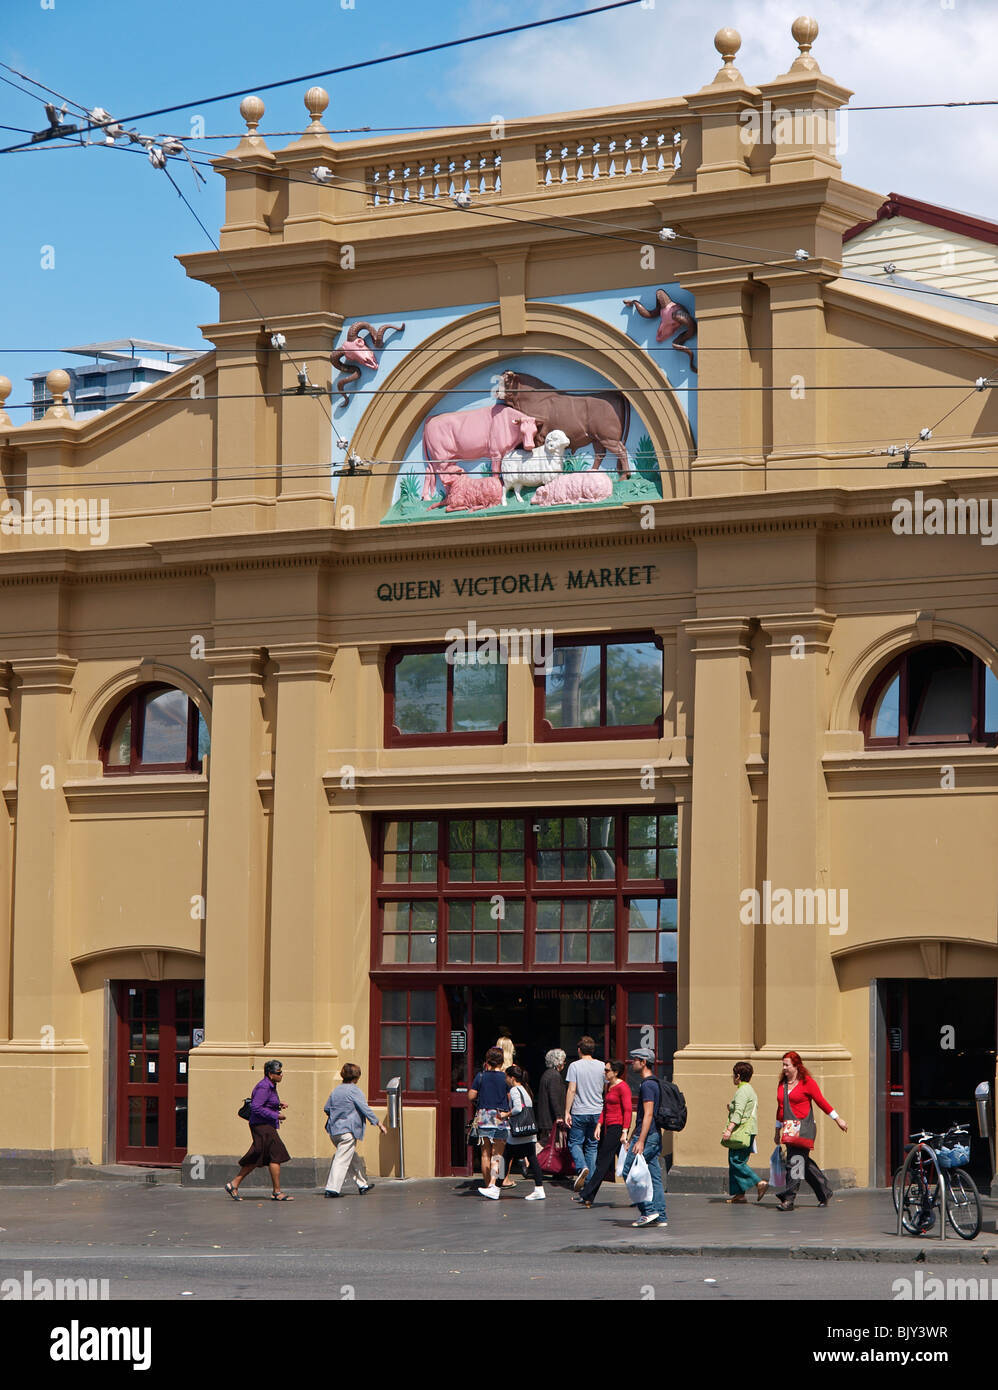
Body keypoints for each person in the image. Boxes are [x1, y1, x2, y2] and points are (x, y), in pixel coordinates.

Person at [773, 1050, 848, 1211]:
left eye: (787, 1065)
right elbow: (780, 1108)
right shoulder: (782, 1084)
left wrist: (837, 1119)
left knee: (795, 1161)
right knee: (802, 1162)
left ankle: (789, 1199)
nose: (784, 1068)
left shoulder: (807, 1083)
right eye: (783, 1065)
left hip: (804, 1128)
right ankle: (824, 1191)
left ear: (796, 1066)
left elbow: (821, 1102)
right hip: (789, 1128)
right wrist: (777, 1130)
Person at [226, 1059, 293, 1201]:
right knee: (276, 1155)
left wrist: (278, 1104)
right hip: (262, 1126)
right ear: (270, 1074)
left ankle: (234, 1184)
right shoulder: (264, 1087)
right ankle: (276, 1192)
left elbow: (265, 1103)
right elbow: (256, 1107)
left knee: (260, 1155)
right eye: (278, 1072)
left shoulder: (270, 1085)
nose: (281, 1074)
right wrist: (276, 1115)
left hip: (265, 1125)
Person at [322, 1063, 387, 1198]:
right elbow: (365, 1108)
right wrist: (378, 1123)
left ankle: (363, 1185)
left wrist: (338, 1114)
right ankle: (332, 1189)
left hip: (334, 1131)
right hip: (348, 1131)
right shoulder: (354, 1090)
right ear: (356, 1077)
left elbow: (327, 1108)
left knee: (352, 1157)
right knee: (341, 1160)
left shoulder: (336, 1090)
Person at [575, 1060, 632, 1207]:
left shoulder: (623, 1087)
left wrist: (625, 1131)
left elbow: (627, 1110)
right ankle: (642, 1196)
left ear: (616, 1072)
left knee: (602, 1161)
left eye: (607, 1070)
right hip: (609, 1127)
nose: (604, 1072)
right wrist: (599, 1125)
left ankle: (587, 1194)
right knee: (627, 1165)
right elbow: (605, 1108)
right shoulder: (609, 1086)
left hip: (617, 1128)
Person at [621, 1047, 667, 1228]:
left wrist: (640, 1140)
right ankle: (661, 1216)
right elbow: (643, 1116)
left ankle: (648, 1211)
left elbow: (648, 1114)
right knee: (655, 1177)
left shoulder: (648, 1085)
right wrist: (633, 1135)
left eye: (635, 1060)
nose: (632, 1062)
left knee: (629, 1171)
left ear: (643, 1062)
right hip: (652, 1135)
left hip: (647, 1137)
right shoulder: (653, 1083)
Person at [721, 1060, 766, 1203]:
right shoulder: (749, 1090)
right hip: (749, 1130)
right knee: (736, 1160)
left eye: (733, 1075)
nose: (733, 1077)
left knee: (736, 1161)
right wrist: (731, 1107)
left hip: (741, 1131)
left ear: (738, 1076)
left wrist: (729, 1129)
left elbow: (739, 1113)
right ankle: (739, 1195)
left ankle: (758, 1182)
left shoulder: (742, 1091)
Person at [469, 1046, 511, 1200]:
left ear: (487, 1060)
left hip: (484, 1117)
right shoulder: (505, 1078)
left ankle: (488, 1186)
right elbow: (510, 1098)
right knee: (498, 1154)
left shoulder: (480, 1076)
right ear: (502, 1061)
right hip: (500, 1117)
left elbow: (471, 1096)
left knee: (485, 1153)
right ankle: (495, 1185)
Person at [564, 1036, 605, 1191]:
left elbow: (572, 1089)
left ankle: (582, 1167)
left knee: (575, 1143)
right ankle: (590, 1184)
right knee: (592, 1146)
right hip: (597, 1110)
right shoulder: (602, 1066)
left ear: (579, 1050)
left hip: (579, 1110)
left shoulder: (574, 1066)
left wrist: (567, 1111)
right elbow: (605, 1088)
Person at [504, 1065, 547, 1200]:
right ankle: (539, 1188)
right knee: (532, 1159)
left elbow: (517, 1108)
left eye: (506, 1077)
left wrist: (506, 1114)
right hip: (528, 1133)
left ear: (512, 1078)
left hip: (518, 1133)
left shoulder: (514, 1090)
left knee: (505, 1158)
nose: (505, 1080)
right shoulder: (524, 1089)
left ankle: (495, 1187)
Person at [536, 1048, 567, 1148]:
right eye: (563, 1061)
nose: (564, 1063)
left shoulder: (547, 1074)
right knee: (552, 1146)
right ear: (559, 1062)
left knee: (547, 1145)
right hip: (551, 1120)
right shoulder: (554, 1076)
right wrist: (559, 1116)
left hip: (546, 1120)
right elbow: (554, 1097)